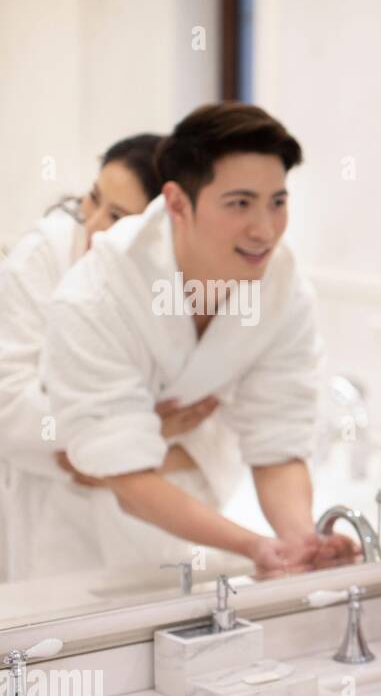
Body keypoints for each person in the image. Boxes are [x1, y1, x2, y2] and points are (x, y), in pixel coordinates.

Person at [41, 102, 355, 577]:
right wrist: (254, 546)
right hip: (82, 523)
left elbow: (278, 441)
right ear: (177, 203)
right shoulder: (95, 297)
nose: (265, 230)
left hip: (193, 511)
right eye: (240, 204)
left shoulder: (282, 288)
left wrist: (301, 541)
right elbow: (124, 471)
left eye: (278, 201)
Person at [0, 133, 233, 581]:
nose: (92, 226)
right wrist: (143, 428)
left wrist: (113, 458)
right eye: (93, 199)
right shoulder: (42, 260)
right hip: (54, 520)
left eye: (117, 216)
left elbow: (221, 425)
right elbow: (9, 403)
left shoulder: (194, 285)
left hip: (157, 527)